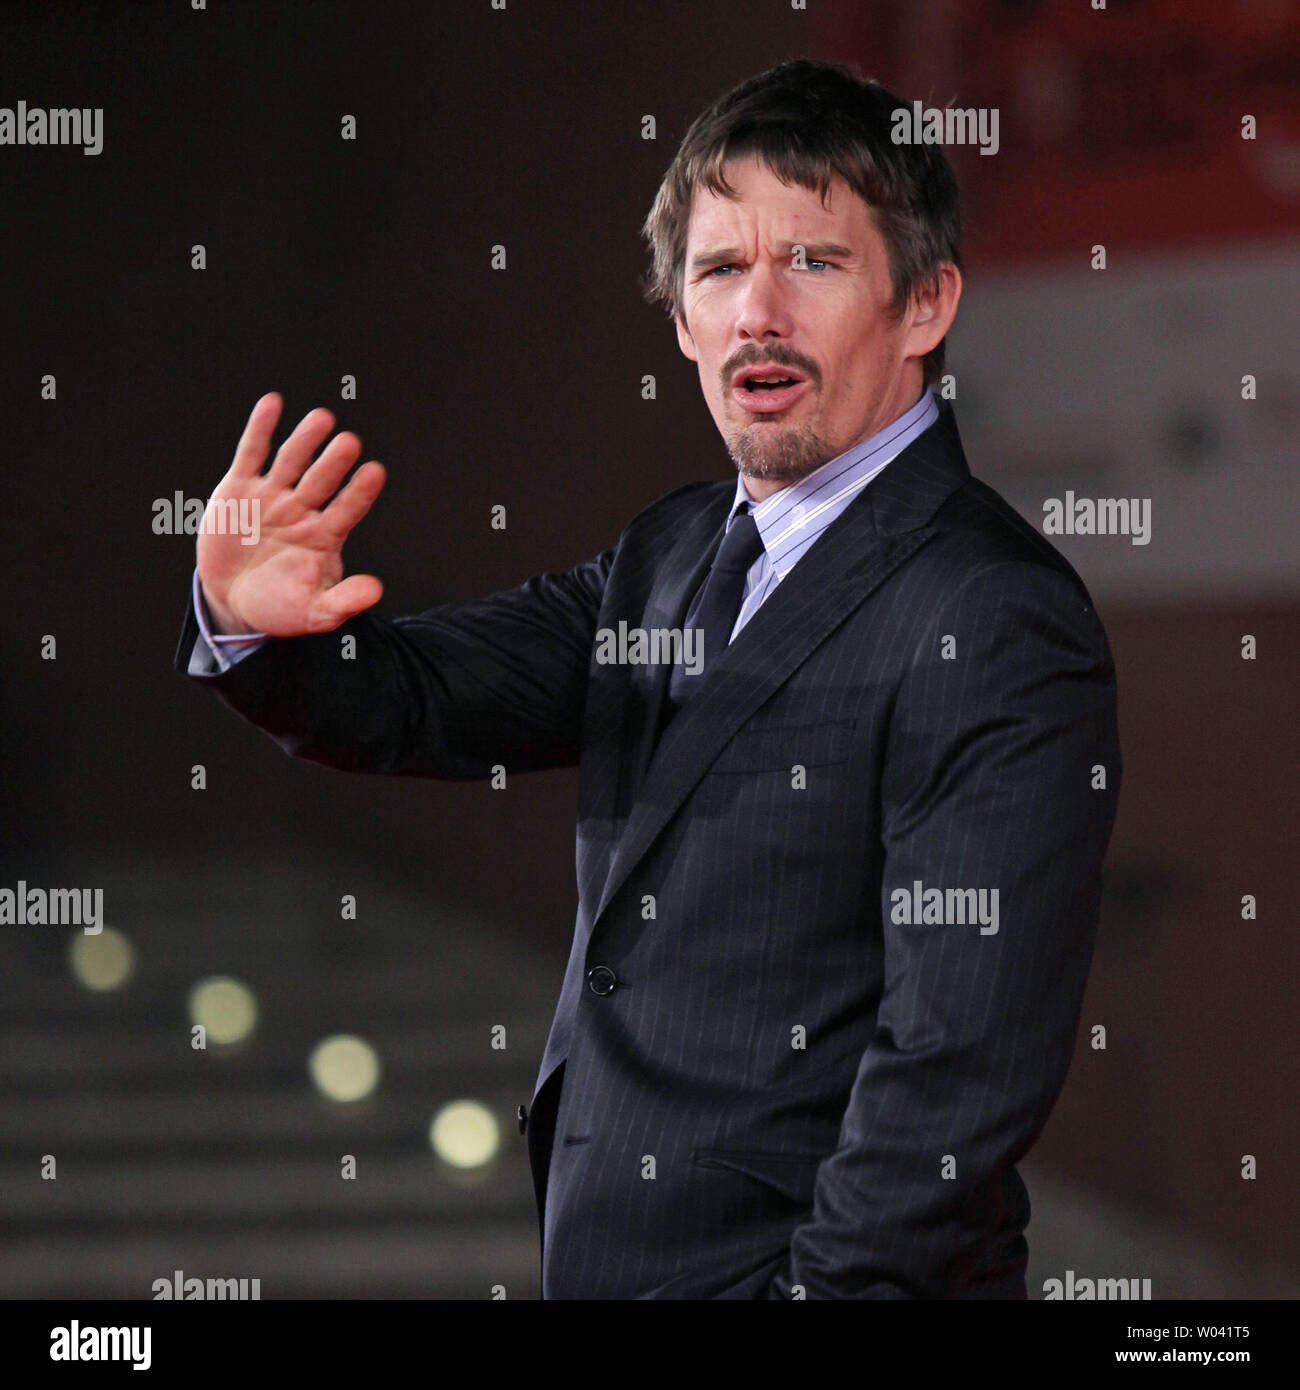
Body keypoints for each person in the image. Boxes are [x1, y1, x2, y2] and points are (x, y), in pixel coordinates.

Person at [174, 59, 1122, 1299]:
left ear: (927, 302)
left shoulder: (993, 612)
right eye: (721, 269)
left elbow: (957, 1067)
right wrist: (256, 628)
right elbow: (413, 698)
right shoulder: (671, 552)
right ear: (679, 319)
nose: (757, 314)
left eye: (815, 264)